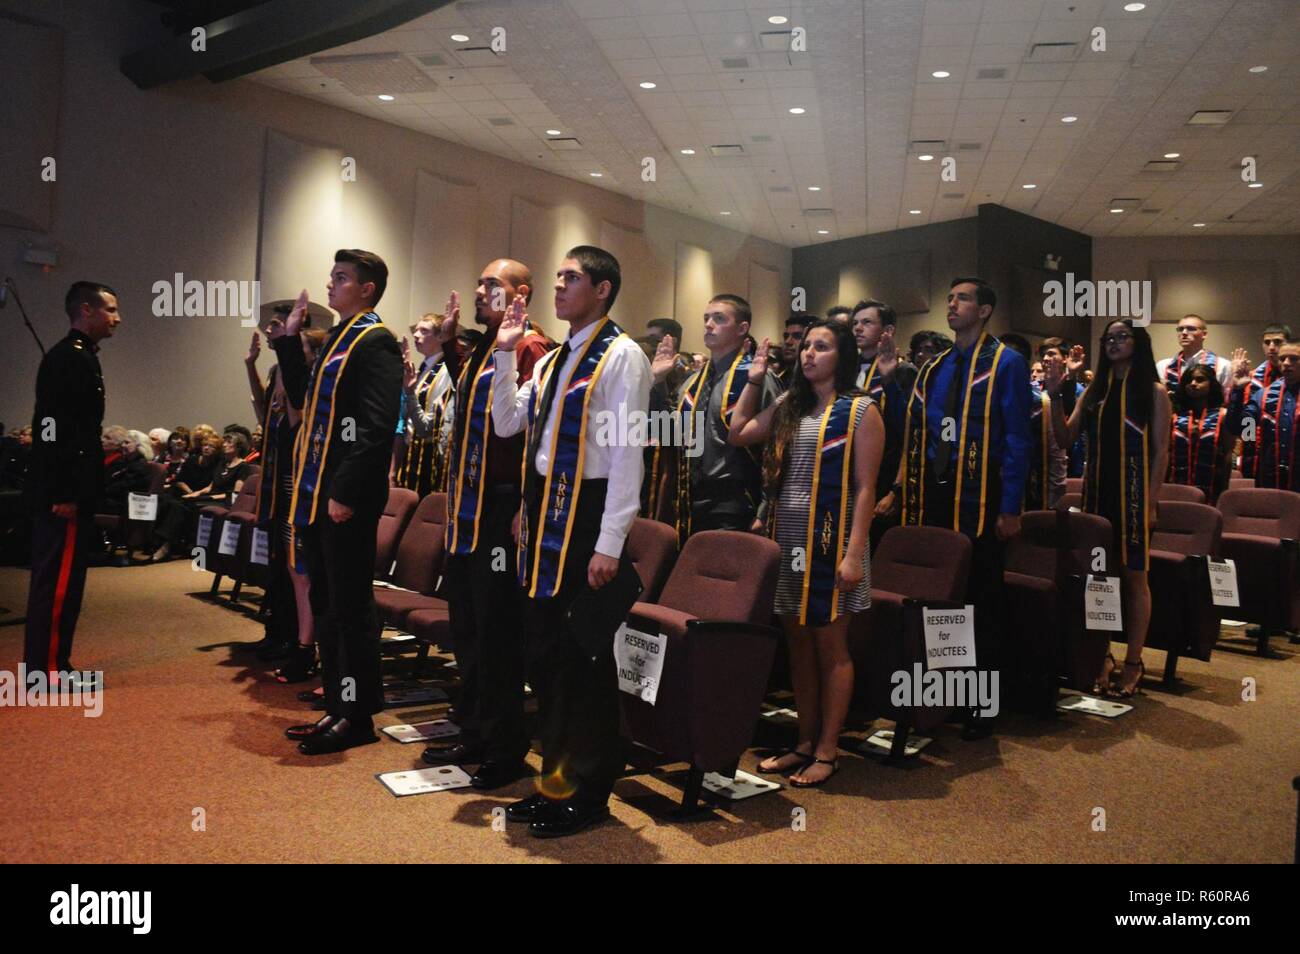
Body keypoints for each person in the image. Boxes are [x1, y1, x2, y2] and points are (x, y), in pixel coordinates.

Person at [490, 245, 651, 838]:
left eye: (572, 279)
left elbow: (628, 456)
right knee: (548, 657)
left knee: (585, 659)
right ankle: (553, 781)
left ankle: (590, 788)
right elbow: (509, 424)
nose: (558, 288)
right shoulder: (553, 359)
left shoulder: (622, 357)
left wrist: (611, 542)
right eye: (557, 277)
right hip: (548, 517)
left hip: (589, 520)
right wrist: (506, 356)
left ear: (603, 290)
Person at [729, 320, 883, 786]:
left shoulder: (861, 410)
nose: (810, 354)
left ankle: (829, 749)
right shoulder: (789, 404)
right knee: (797, 646)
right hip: (788, 541)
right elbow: (738, 433)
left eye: (823, 347)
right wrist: (754, 378)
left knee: (830, 646)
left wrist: (855, 553)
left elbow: (865, 488)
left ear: (843, 358)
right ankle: (804, 741)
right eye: (807, 347)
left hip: (834, 544)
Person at [421, 260, 551, 789]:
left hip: (501, 508)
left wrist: (526, 501)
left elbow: (532, 431)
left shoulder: (530, 348)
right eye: (478, 282)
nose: (479, 291)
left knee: (497, 633)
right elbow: (475, 411)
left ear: (520, 293)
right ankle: (475, 726)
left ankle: (505, 746)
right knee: (470, 626)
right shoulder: (487, 346)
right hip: (469, 507)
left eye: (490, 284)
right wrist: (452, 348)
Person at [270, 250, 403, 755]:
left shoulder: (376, 342)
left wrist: (345, 491)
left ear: (367, 289)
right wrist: (287, 342)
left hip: (344, 499)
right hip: (315, 495)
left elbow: (375, 426)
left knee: (351, 608)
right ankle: (339, 706)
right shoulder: (340, 339)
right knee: (327, 605)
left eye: (342, 278)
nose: (331, 285)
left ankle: (359, 713)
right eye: (332, 276)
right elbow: (304, 398)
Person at [899, 278, 1030, 737]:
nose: (952, 305)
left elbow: (1017, 437)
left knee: (983, 601)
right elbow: (919, 435)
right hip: (937, 494)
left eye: (964, 299)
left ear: (986, 309)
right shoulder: (935, 367)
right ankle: (948, 694)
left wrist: (1010, 505)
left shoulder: (1006, 363)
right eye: (950, 297)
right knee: (946, 600)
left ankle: (984, 704)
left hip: (983, 495)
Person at [1044, 319, 1171, 698]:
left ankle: (1134, 661)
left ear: (1138, 343)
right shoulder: (1095, 392)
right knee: (1101, 579)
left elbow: (1162, 451)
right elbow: (1065, 438)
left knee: (1134, 579)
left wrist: (1150, 502)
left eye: (1122, 337)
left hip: (1134, 500)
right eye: (1108, 339)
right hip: (1097, 500)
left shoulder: (1153, 391)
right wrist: (1056, 394)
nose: (1114, 343)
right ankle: (1103, 655)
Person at [23, 281, 119, 687]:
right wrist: (62, 491)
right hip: (64, 492)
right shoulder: (70, 359)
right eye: (110, 309)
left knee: (66, 580)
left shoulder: (78, 357)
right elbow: (50, 429)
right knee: (58, 583)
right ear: (86, 310)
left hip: (71, 487)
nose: (117, 318)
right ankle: (46, 671)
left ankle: (54, 665)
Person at [656, 294, 780, 541]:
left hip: (735, 497)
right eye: (706, 318)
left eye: (719, 318)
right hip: (691, 496)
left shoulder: (757, 378)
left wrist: (766, 509)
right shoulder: (693, 382)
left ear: (742, 329)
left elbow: (775, 447)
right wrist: (657, 382)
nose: (708, 324)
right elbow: (668, 433)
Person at [851, 300, 917, 548]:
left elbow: (908, 429)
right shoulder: (846, 368)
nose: (858, 328)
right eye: (855, 323)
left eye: (867, 322)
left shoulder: (904, 371)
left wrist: (895, 490)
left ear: (887, 330)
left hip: (884, 472)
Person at [1002, 334, 1066, 511]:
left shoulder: (1043, 403)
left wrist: (1053, 506)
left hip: (1034, 495)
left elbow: (1057, 456)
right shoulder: (983, 399)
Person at [396, 313, 455, 498]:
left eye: (424, 330)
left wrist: (410, 394)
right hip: (409, 451)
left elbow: (428, 427)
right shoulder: (423, 368)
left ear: (440, 337)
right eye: (416, 330)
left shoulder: (445, 371)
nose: (415, 334)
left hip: (427, 457)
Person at [1230, 339, 1300, 492]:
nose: (1286, 363)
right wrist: (1238, 390)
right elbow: (1242, 430)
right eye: (1282, 359)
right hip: (1270, 479)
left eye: (1294, 358)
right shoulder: (1265, 395)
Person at [1167, 362, 1241, 503]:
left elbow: (1227, 455)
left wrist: (1223, 493)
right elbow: (1166, 453)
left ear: (1211, 384)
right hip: (1176, 487)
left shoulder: (1222, 416)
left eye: (1200, 379)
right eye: (1189, 380)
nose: (1193, 384)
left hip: (1211, 489)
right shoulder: (1175, 416)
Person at [1238, 324, 1292, 479]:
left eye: (1277, 342)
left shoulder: (1295, 376)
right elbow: (1247, 418)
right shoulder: (1252, 377)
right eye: (1267, 342)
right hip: (1259, 451)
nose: (1272, 347)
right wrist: (1249, 444)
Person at [1039, 337, 1086, 477]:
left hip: (1067, 459)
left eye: (1051, 354)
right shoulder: (1038, 388)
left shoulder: (1077, 390)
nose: (1046, 359)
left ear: (1065, 358)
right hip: (1042, 457)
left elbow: (1068, 413)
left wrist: (1071, 375)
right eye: (1043, 356)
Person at [1156, 313, 1232, 391]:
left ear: (1204, 334)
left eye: (1191, 328)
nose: (1184, 333)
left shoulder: (1222, 365)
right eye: (1180, 329)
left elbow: (1226, 398)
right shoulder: (1163, 366)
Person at [779, 313, 816, 388]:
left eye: (797, 336)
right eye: (786, 336)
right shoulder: (780, 378)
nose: (788, 342)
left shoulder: (816, 382)